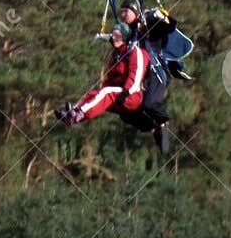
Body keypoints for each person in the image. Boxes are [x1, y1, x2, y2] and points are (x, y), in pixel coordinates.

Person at [58, 24, 170, 156]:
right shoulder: (116, 55)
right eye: (113, 35)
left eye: (118, 36)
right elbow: (110, 79)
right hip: (120, 96)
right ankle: (73, 113)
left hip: (133, 95)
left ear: (125, 37)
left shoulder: (135, 52)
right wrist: (100, 93)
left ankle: (79, 113)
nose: (114, 38)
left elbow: (136, 76)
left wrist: (126, 92)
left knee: (106, 93)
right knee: (95, 94)